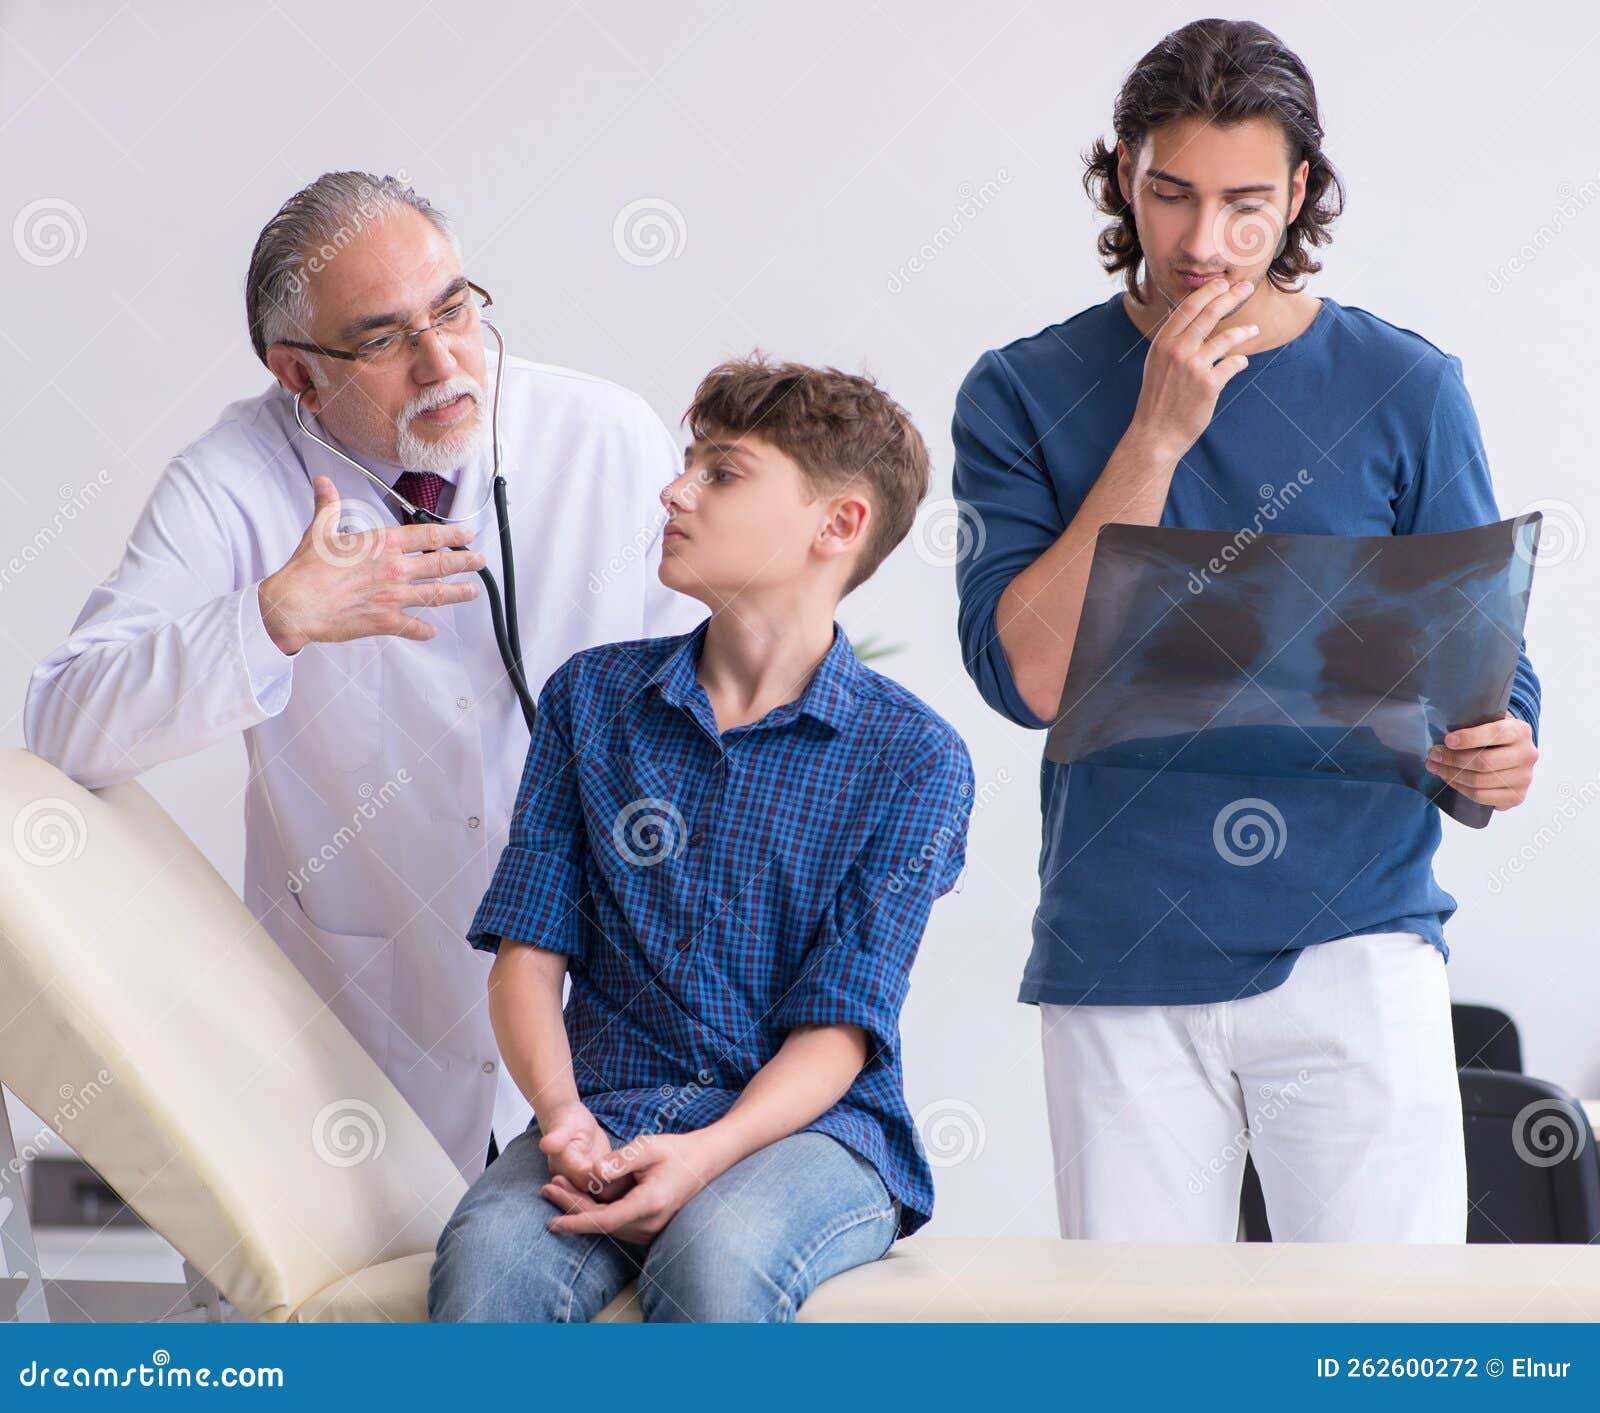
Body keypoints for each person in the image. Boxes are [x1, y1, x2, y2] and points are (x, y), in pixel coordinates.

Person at [951, 19, 1541, 1243]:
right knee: (1142, 1357)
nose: (1203, 245)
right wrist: (1157, 432)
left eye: (1243, 205)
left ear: (1302, 194)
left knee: (1389, 1348)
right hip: (1122, 949)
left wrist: (1506, 739)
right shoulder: (1019, 390)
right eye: (1170, 195)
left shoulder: (1404, 387)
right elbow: (1033, 676)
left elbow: (1481, 653)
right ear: (1124, 174)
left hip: (1358, 938)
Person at [23, 171, 702, 1180]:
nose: (442, 360)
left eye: (455, 308)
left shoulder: (604, 440)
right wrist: (272, 620)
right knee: (351, 1321)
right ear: (296, 374)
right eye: (383, 339)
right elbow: (66, 723)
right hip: (355, 1031)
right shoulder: (234, 483)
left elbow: (702, 714)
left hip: (594, 1026)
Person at [428, 355, 975, 1322]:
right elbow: (526, 961)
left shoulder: (914, 758)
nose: (676, 490)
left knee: (713, 1263)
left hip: (815, 1135)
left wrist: (704, 1159)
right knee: (488, 1275)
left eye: (723, 472)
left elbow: (839, 1031)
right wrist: (564, 1124)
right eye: (690, 463)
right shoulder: (592, 701)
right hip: (604, 1108)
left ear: (837, 524)